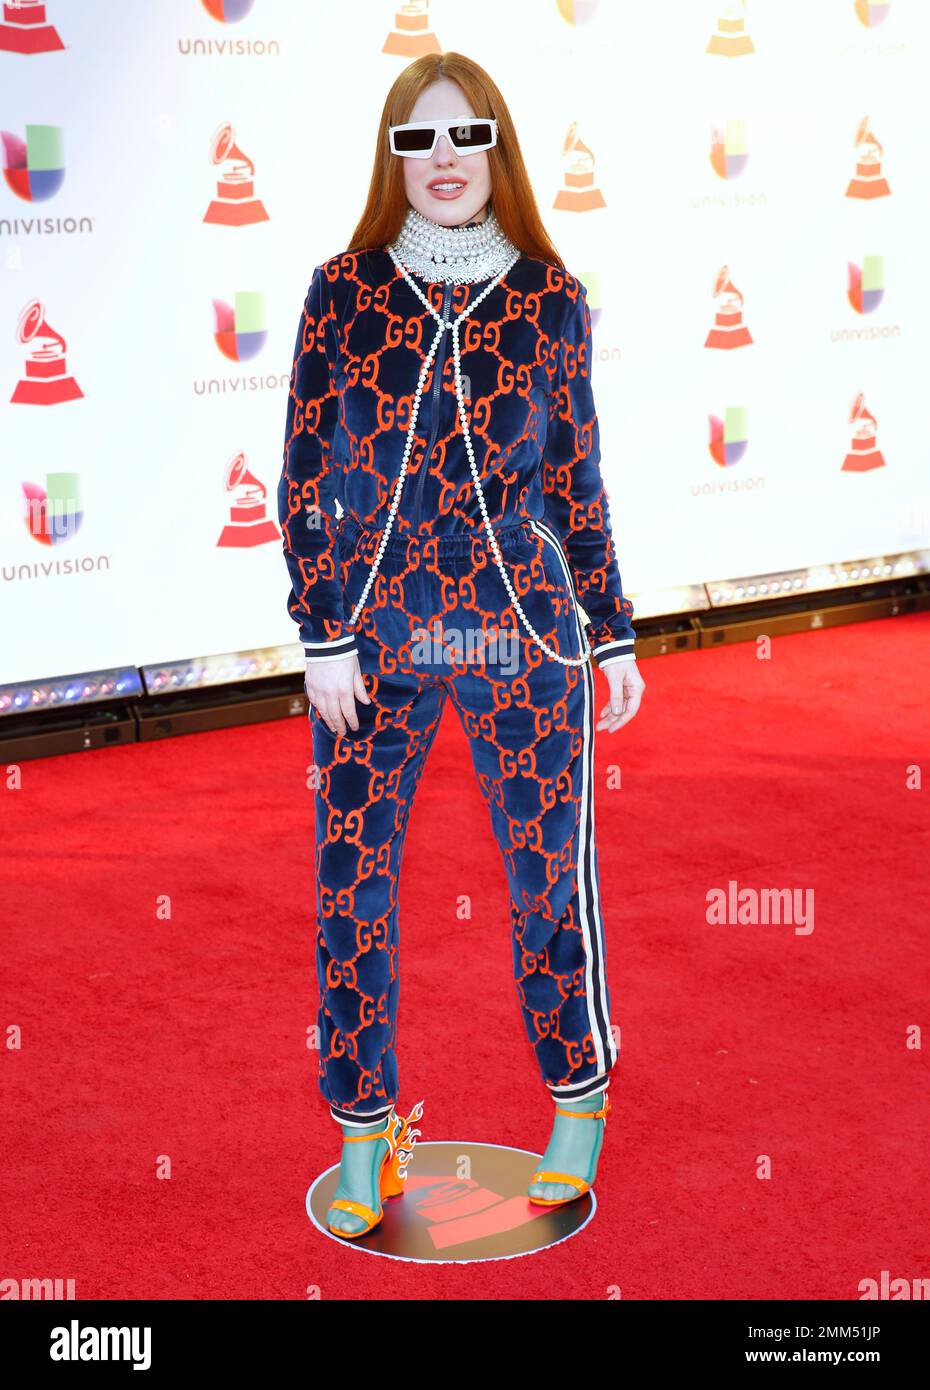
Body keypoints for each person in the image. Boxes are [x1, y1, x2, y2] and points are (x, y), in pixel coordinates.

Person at [278, 52, 645, 1240]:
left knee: (547, 878)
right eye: (415, 142)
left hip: (523, 632)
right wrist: (322, 630)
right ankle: (363, 1122)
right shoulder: (341, 292)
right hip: (375, 643)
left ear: (498, 147)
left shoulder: (553, 297)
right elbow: (302, 477)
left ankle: (577, 1102)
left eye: (463, 136)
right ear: (390, 161)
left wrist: (613, 630)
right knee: (353, 882)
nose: (441, 161)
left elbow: (577, 481)